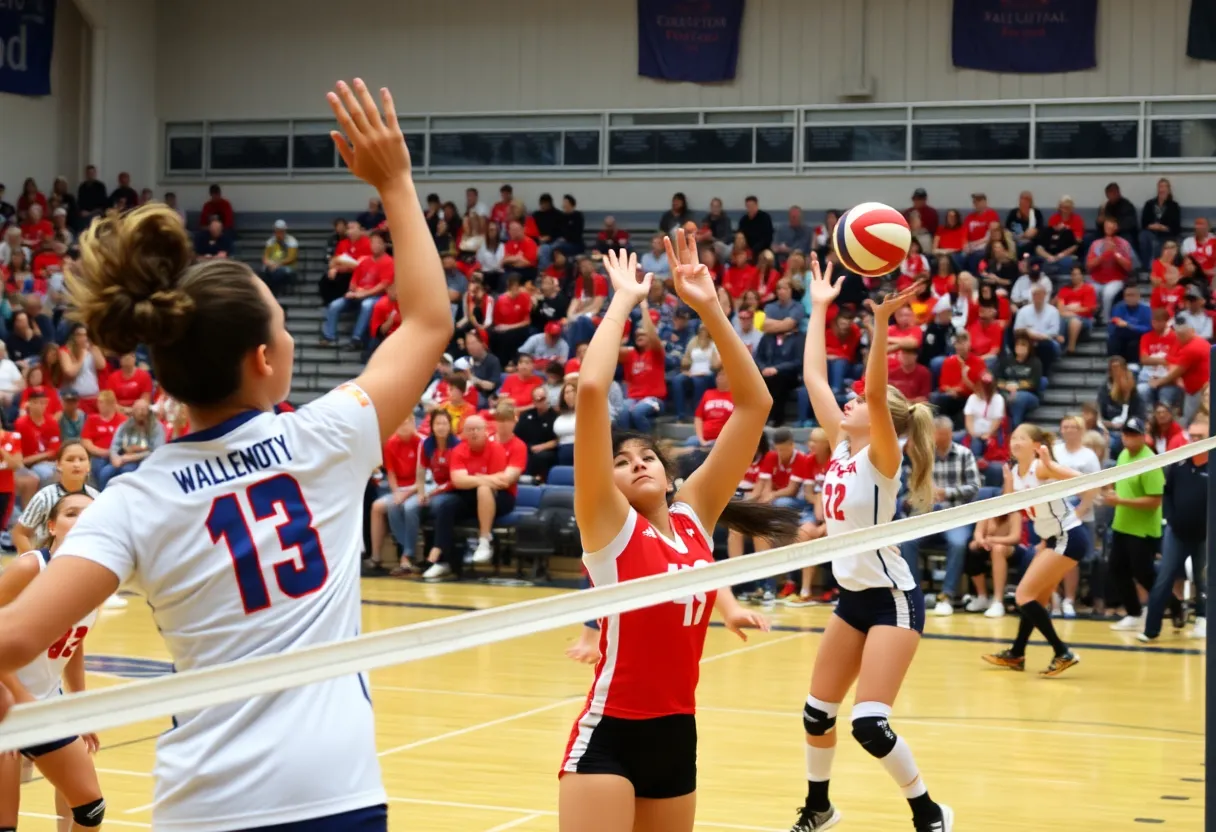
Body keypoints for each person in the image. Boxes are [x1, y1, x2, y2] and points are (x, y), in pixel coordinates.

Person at [0, 80, 453, 830]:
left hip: (203, 808)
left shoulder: (132, 499)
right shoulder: (326, 439)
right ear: (265, 359)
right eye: (282, 325)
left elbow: (13, 638)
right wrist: (396, 182)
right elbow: (429, 321)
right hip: (332, 796)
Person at [559, 234, 785, 832]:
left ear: (668, 471)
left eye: (647, 456)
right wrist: (624, 301)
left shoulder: (695, 516)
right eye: (622, 460)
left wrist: (709, 307)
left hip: (677, 734)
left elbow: (754, 405)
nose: (637, 462)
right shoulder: (608, 526)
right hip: (610, 735)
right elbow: (589, 392)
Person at [793, 262, 951, 832]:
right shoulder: (840, 446)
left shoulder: (882, 459)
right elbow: (813, 376)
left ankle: (929, 812)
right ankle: (819, 807)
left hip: (892, 600)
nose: (849, 401)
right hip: (852, 599)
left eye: (858, 401)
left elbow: (877, 392)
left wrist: (881, 323)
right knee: (816, 715)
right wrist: (818, 307)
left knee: (870, 724)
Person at [0, 492, 104, 832]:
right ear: (52, 526)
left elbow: (72, 644)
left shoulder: (95, 578)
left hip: (43, 704)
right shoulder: (32, 566)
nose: (80, 520)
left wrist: (80, 705)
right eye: (71, 513)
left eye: (89, 515)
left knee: (91, 811)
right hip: (6, 703)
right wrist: (17, 697)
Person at [980, 425, 1086, 676]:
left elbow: (1079, 479)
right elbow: (1008, 507)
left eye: (1021, 438)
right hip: (1052, 539)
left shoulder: (1040, 466)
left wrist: (1051, 463)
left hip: (1068, 536)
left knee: (1023, 595)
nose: (1015, 442)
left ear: (1036, 445)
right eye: (1013, 437)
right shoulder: (1016, 471)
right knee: (1035, 600)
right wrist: (1007, 484)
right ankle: (1017, 654)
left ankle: (1063, 652)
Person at [1141, 417, 1208, 642]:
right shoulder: (1178, 464)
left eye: (1202, 437)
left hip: (1206, 535)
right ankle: (1151, 629)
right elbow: (1167, 492)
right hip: (1177, 532)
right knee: (1164, 577)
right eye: (1194, 436)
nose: (1196, 440)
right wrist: (1170, 517)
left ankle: (1203, 619)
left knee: (1204, 578)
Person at [1103, 418, 1166, 632]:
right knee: (1117, 569)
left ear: (1143, 436)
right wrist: (1111, 490)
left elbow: (1155, 500)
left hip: (1143, 529)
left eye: (1133, 434)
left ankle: (1173, 605)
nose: (1128, 438)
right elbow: (1120, 483)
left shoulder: (1150, 462)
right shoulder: (1122, 455)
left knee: (1144, 574)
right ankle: (1134, 612)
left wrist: (1120, 501)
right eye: (1125, 433)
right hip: (1122, 524)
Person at [967, 510, 1024, 619]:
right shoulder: (986, 512)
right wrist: (981, 541)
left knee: (998, 549)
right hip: (988, 546)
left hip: (1010, 548)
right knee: (972, 546)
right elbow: (978, 533)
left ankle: (998, 601)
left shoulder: (1015, 515)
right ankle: (982, 596)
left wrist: (993, 539)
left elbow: (1015, 538)